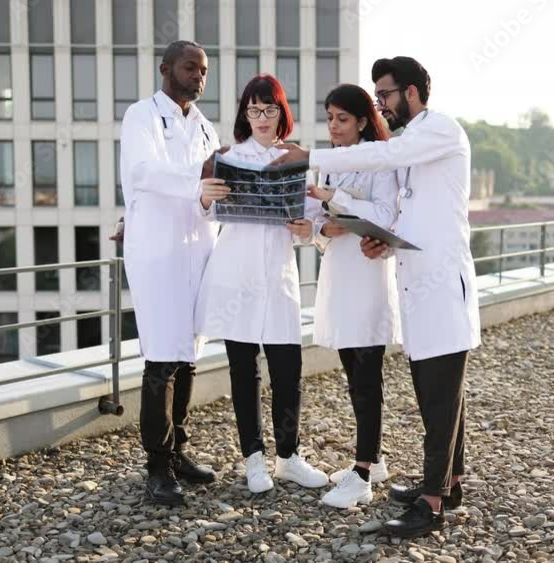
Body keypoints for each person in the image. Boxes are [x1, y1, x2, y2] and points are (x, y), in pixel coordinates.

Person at [270, 57, 482, 537]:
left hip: (442, 286)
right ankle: (449, 484)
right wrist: (382, 242)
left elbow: (380, 157)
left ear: (410, 92)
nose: (380, 104)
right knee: (440, 395)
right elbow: (406, 216)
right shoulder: (411, 147)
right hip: (415, 283)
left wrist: (310, 156)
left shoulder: (440, 131)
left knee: (441, 397)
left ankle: (429, 506)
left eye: (384, 94)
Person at [194, 74, 329, 495]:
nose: (262, 117)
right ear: (244, 114)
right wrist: (204, 197)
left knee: (288, 369)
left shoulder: (294, 157)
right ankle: (254, 458)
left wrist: (306, 228)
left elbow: (309, 225)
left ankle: (288, 457)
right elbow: (206, 214)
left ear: (281, 113)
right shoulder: (228, 156)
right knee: (243, 369)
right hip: (236, 274)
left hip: (278, 274)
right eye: (254, 109)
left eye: (270, 109)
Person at [118, 40, 224, 506]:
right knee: (161, 358)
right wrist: (198, 183)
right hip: (158, 252)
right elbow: (143, 173)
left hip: (199, 247)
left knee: (187, 355)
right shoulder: (141, 116)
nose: (199, 76)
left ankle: (179, 451)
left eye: (204, 70)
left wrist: (210, 193)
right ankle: (157, 467)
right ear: (166, 69)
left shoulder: (206, 127)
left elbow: (214, 189)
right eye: (190, 68)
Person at [306, 84, 401, 509]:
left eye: (342, 119)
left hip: (367, 278)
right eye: (329, 118)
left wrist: (336, 201)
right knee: (352, 373)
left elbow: (384, 216)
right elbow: (316, 224)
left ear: (363, 122)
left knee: (367, 380)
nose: (334, 127)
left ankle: (361, 475)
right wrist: (326, 227)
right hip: (339, 274)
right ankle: (374, 460)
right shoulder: (328, 165)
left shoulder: (379, 161)